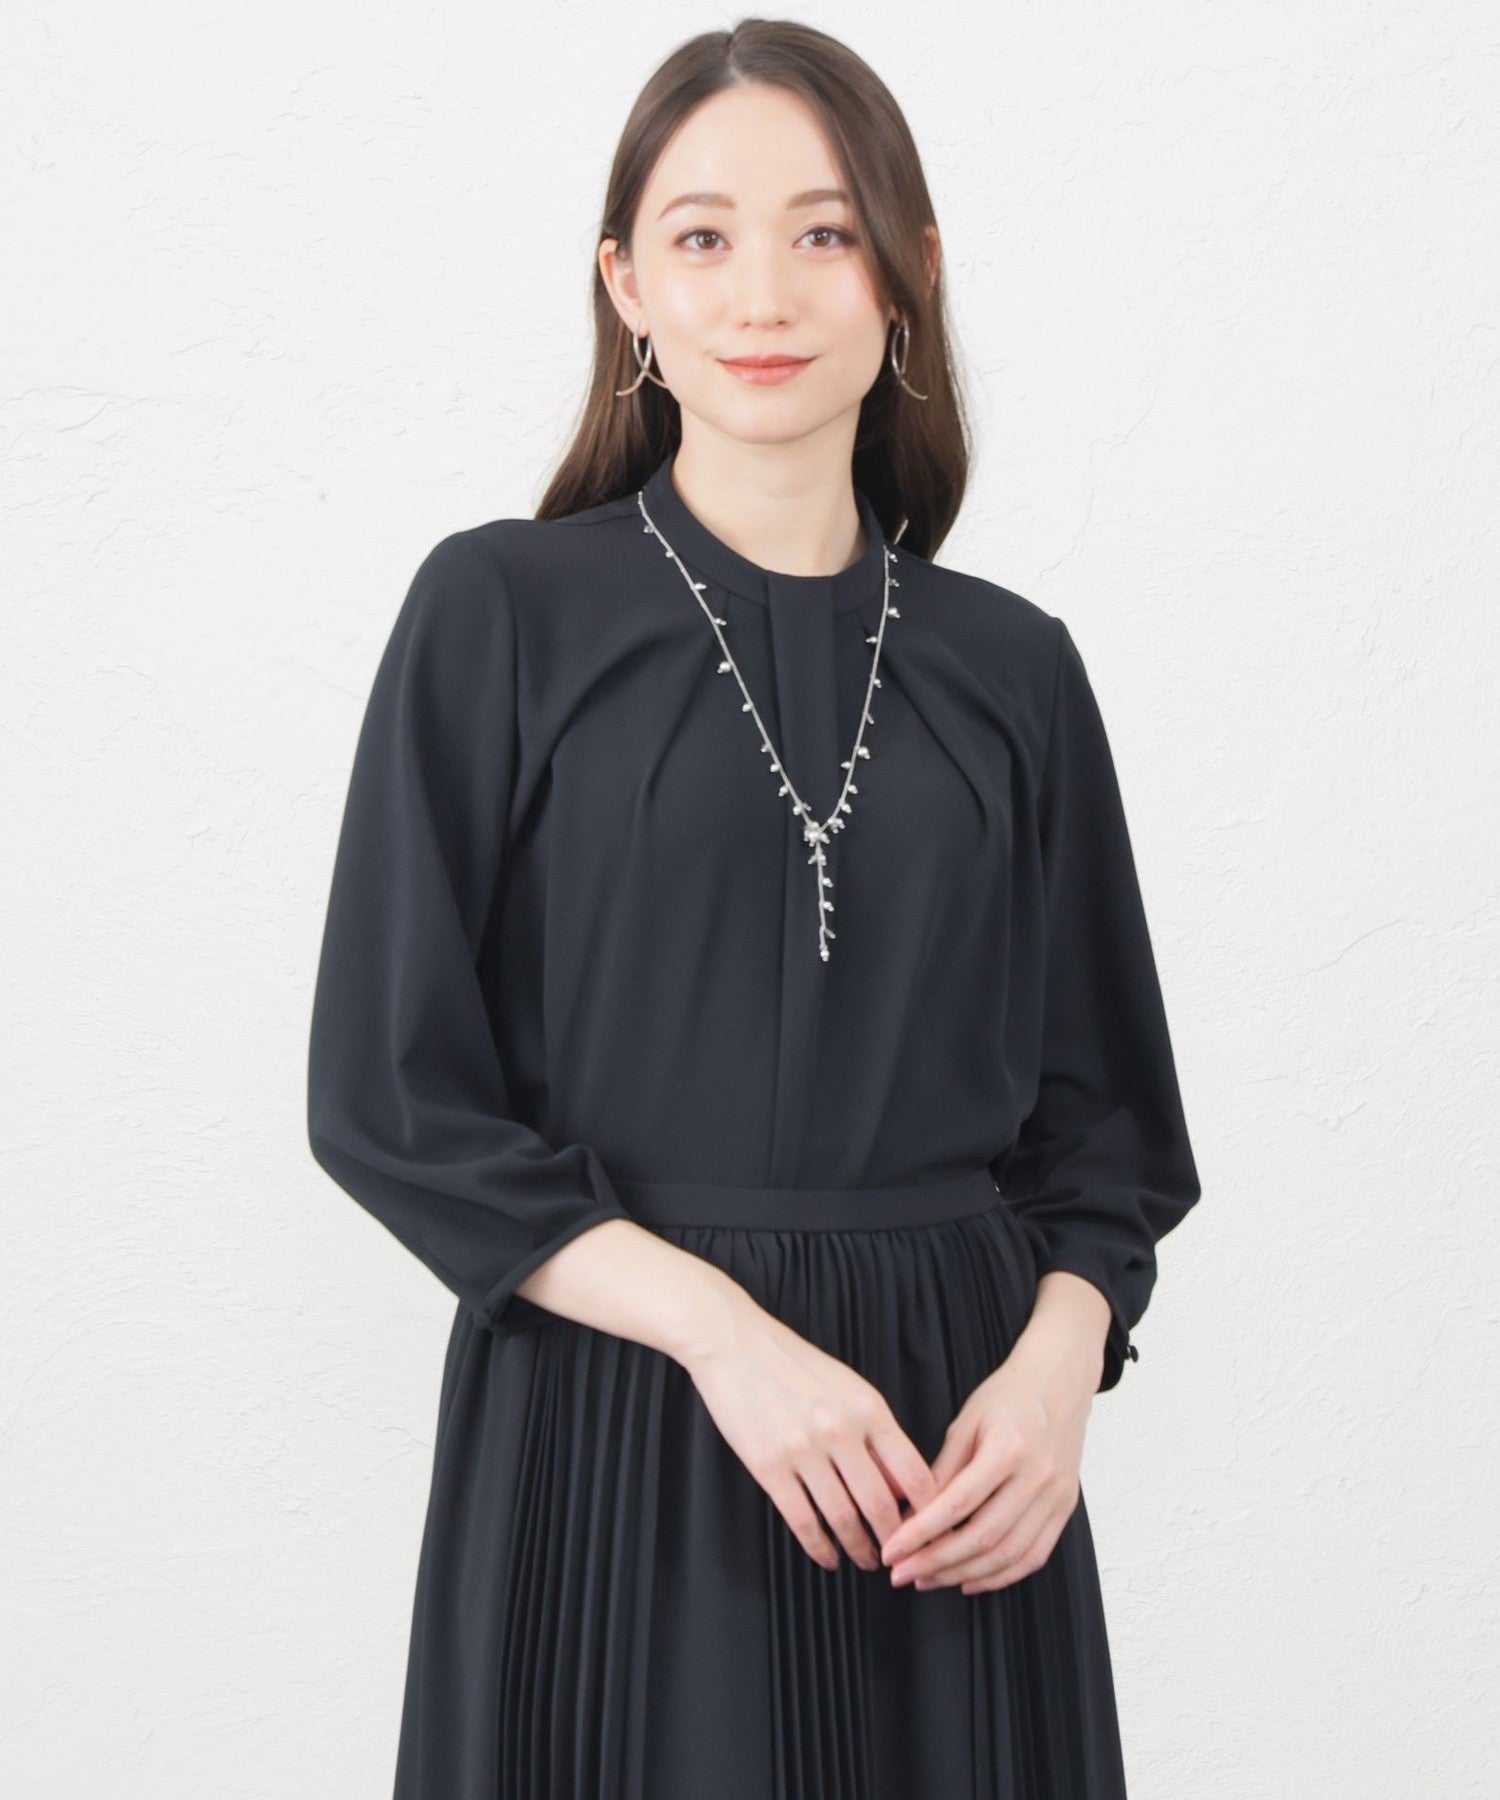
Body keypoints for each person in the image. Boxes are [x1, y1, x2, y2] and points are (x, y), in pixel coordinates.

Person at [306, 19, 1202, 1798]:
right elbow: (391, 1101)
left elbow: (1107, 1129)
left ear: (908, 273)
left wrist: (1055, 1374)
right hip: (622, 1421)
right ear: (628, 287)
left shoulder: (1017, 669)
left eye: (823, 231)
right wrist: (724, 1336)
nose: (764, 293)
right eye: (703, 237)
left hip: (953, 1465)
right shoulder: (499, 613)